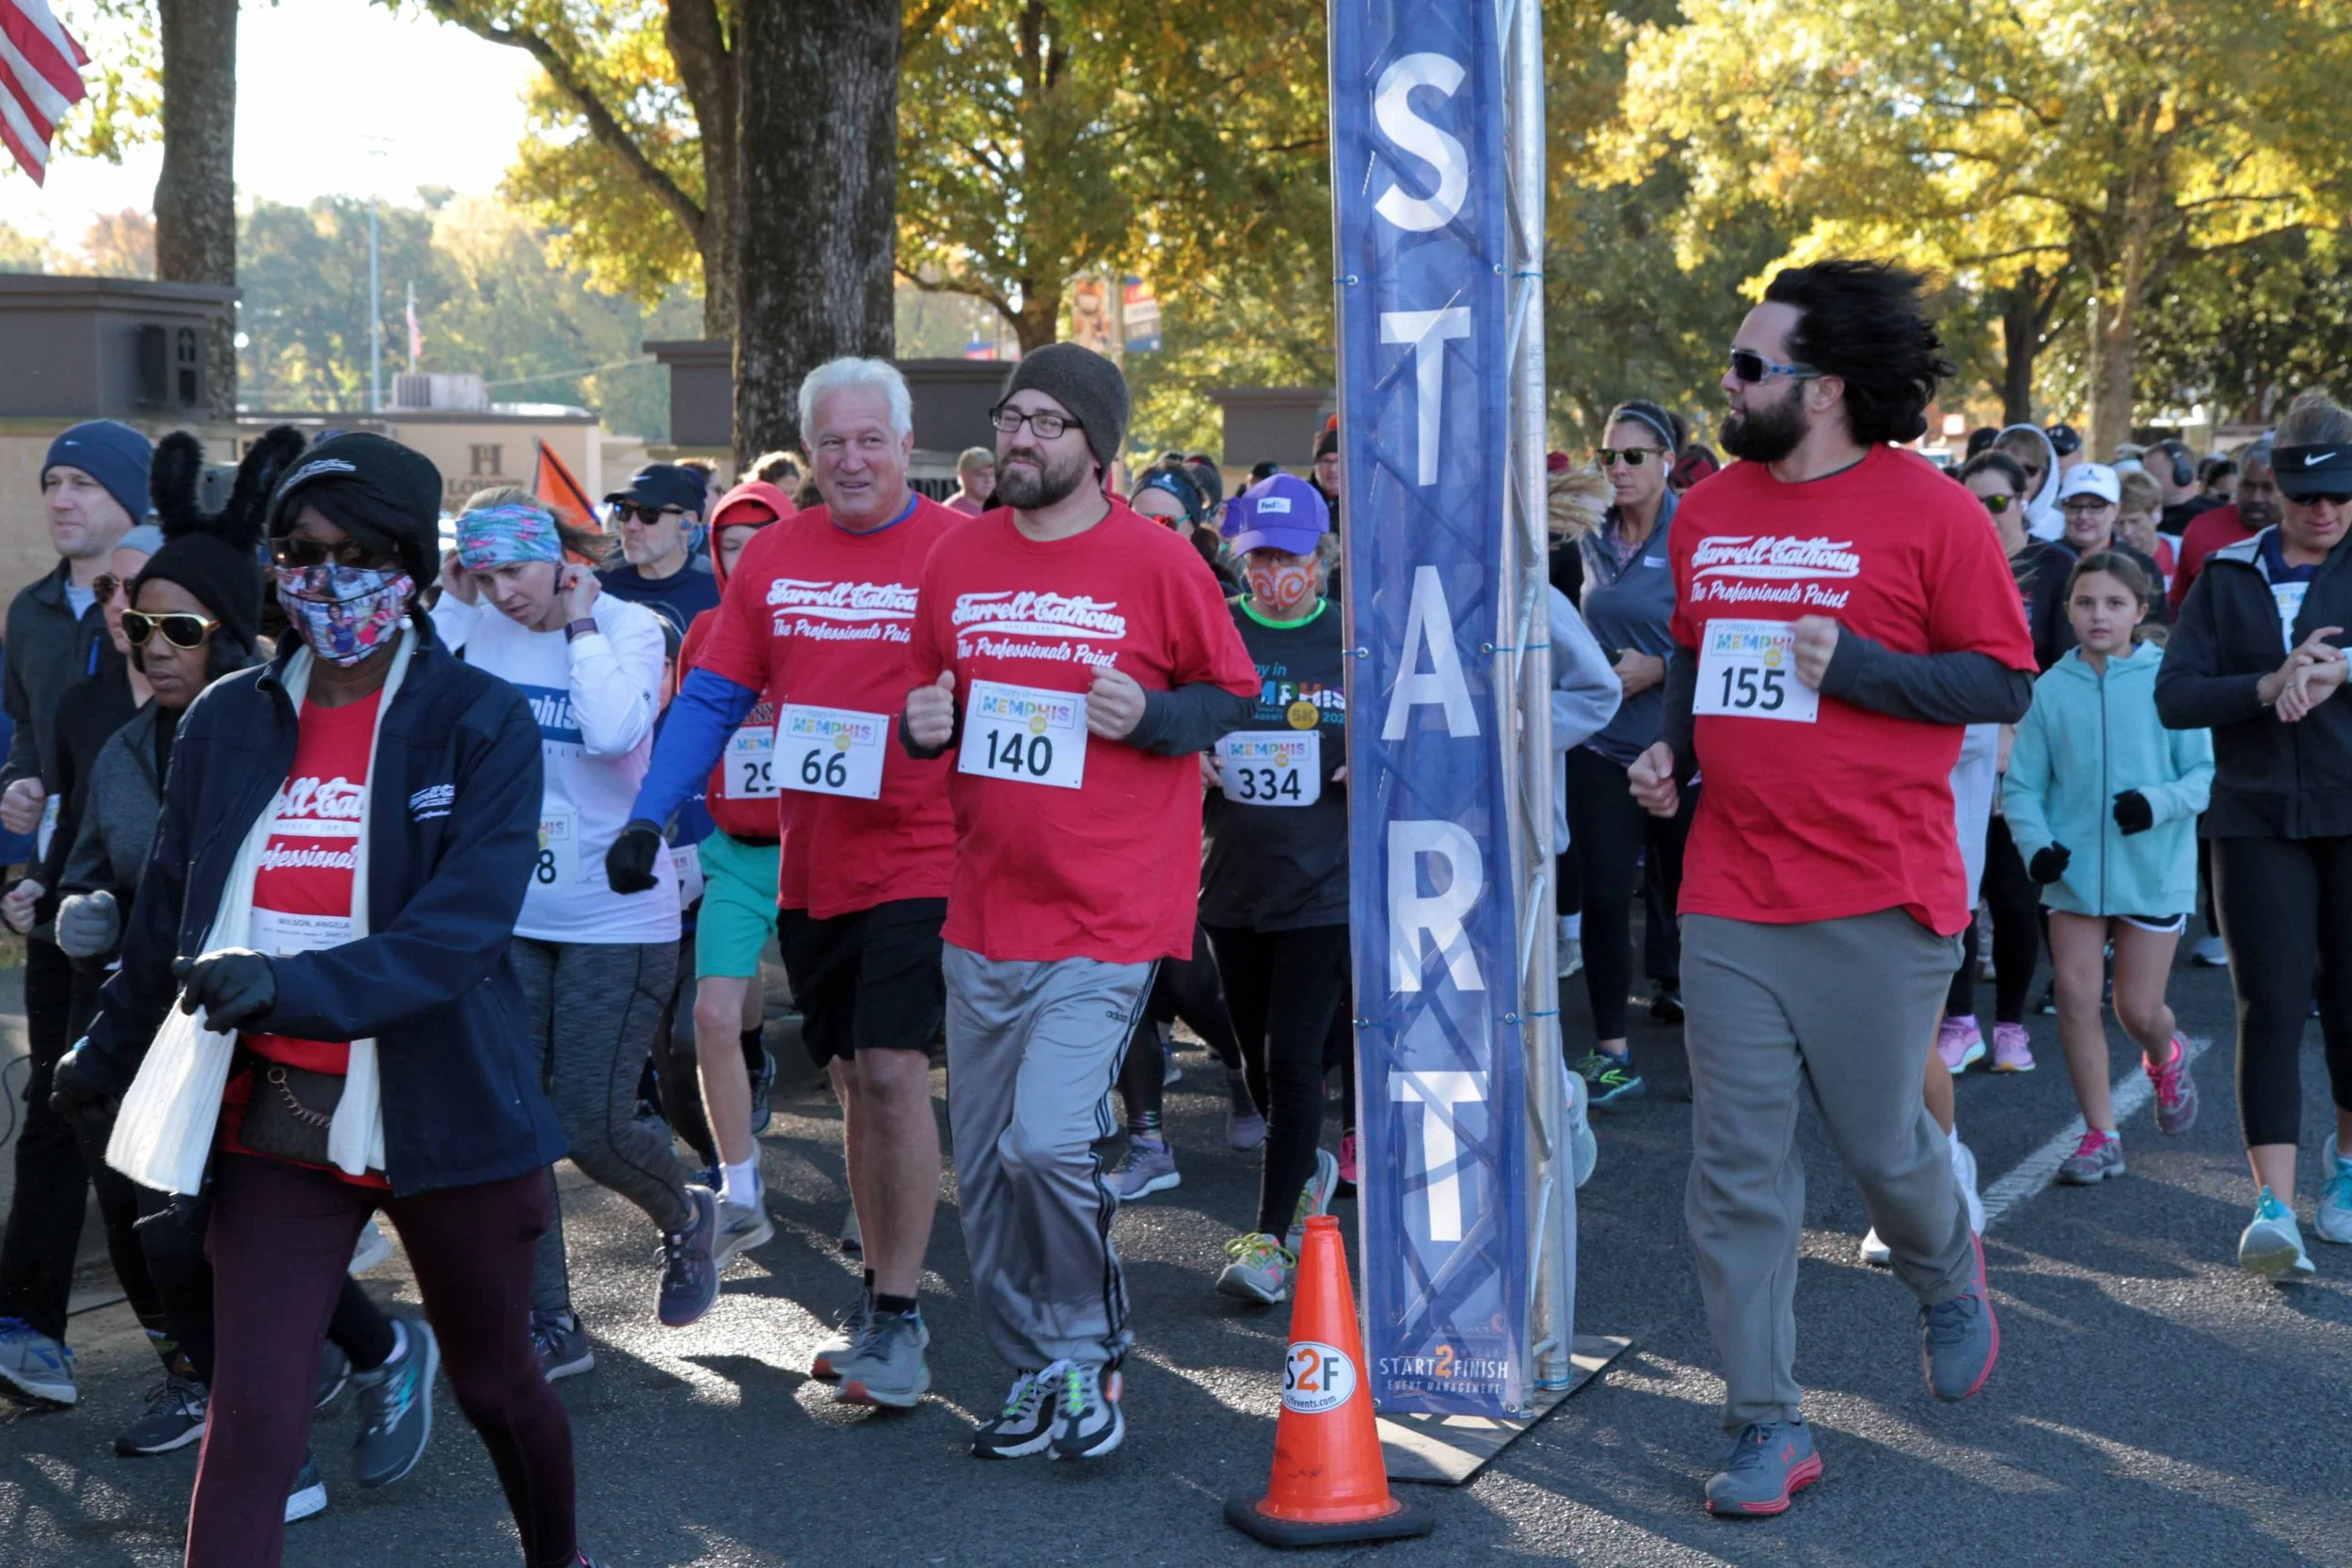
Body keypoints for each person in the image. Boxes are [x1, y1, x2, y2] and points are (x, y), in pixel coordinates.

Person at [50, 432, 605, 1567]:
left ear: (411, 567)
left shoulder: (480, 720)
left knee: (498, 1384)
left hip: (447, 1107)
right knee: (252, 1420)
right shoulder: (226, 720)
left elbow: (457, 935)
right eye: (302, 552)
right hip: (280, 1117)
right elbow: (170, 919)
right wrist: (102, 1051)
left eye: (358, 554)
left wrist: (290, 984)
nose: (327, 577)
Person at [1628, 261, 2031, 1516]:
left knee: (1880, 1141)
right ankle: (1766, 1420)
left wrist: (1855, 666)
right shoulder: (1707, 511)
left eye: (1750, 367)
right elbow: (1699, 657)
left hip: (1879, 890)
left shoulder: (1933, 513)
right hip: (1731, 886)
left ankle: (1946, 1268)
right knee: (1734, 1166)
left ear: (1825, 389)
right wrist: (1671, 751)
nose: (1728, 383)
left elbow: (2001, 680)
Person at [901, 342, 1258, 1460]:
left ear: (1096, 444)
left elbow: (1230, 694)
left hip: (1108, 910)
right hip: (984, 910)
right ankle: (1032, 1366)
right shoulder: (958, 556)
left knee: (1047, 1142)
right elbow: (930, 693)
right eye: (1011, 416)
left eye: (1046, 422)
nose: (1019, 437)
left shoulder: (1156, 560)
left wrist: (1150, 717)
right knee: (986, 1169)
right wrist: (924, 724)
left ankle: (1089, 1346)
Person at [611, 357, 962, 1411]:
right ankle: (880, 1294)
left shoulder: (958, 550)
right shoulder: (776, 558)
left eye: (871, 439)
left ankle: (899, 1315)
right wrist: (649, 814)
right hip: (815, 862)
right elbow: (715, 696)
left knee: (892, 1070)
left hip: (926, 852)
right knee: (851, 1075)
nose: (852, 459)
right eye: (832, 442)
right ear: (810, 452)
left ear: (906, 446)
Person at [430, 492, 715, 1378]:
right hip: (514, 914)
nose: (503, 592)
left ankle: (684, 1214)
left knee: (590, 1125)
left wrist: (582, 626)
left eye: (515, 571)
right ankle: (551, 1319)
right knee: (515, 1125)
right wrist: (451, 605)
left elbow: (614, 731)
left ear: (558, 558)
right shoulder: (478, 624)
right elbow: (417, 713)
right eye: (484, 575)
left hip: (614, 913)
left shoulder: (628, 626)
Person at [2156, 389, 2352, 1279]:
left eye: (2342, 494)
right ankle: (2274, 1208)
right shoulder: (2228, 572)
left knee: (2349, 1004)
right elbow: (2175, 694)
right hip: (2253, 816)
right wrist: (2266, 685)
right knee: (2268, 1004)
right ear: (2277, 488)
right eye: (2308, 495)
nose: (2326, 510)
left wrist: (2343, 669)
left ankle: (2345, 1168)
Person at [0, 419, 149, 1409]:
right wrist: (17, 815)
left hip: (164, 904)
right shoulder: (32, 611)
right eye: (53, 480)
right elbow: (29, 742)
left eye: (84, 483)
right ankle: (28, 1327)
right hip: (62, 895)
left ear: (131, 499)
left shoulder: (179, 598)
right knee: (58, 1104)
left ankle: (270, 1317)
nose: (61, 498)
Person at [1194, 474, 1352, 1304]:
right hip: (1232, 880)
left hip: (1323, 882)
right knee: (1254, 1058)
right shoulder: (1215, 627)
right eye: (1259, 558)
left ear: (1321, 557)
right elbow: (1176, 713)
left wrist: (1371, 759)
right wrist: (1190, 751)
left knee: (1293, 1059)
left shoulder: (1351, 637)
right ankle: (1306, 1168)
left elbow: (1405, 725)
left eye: (1289, 557)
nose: (1273, 574)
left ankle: (1269, 1240)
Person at [2004, 551, 2209, 1186]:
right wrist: (2036, 845)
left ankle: (2165, 1052)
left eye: (2115, 603)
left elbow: (2204, 776)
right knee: (2073, 995)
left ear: (2140, 611)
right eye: (2086, 602)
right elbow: (2023, 786)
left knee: (2138, 1010)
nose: (2099, 615)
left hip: (2153, 870)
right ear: (2067, 609)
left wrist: (2156, 803)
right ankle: (2101, 1135)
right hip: (2071, 873)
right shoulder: (2050, 688)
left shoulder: (2169, 681)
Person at [664, 479, 792, 1269]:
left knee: (851, 1051)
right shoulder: (708, 630)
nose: (747, 562)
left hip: (819, 851)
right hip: (735, 853)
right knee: (712, 1016)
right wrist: (671, 830)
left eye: (763, 546)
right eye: (732, 548)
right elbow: (690, 734)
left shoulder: (823, 624)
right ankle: (741, 1190)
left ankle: (871, 1191)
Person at [1569, 401, 1696, 1107]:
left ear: (1667, 461)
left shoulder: (1696, 533)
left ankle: (1717, 1052)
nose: (1618, 468)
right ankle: (1612, 1051)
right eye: (1608, 455)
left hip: (1679, 748)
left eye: (1634, 456)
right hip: (1601, 744)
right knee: (1604, 896)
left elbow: (1723, 634)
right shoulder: (1588, 533)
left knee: (1692, 901)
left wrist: (1660, 669)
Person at [597, 462, 717, 640]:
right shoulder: (597, 587)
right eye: (624, 511)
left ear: (686, 522)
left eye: (649, 513)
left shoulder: (717, 590)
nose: (631, 525)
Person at [2055, 463, 2169, 624]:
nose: (2083, 516)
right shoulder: (2041, 561)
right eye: (2074, 506)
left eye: (2095, 507)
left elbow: (2156, 630)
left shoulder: (2142, 566)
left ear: (2116, 510)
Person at [2170, 440, 2275, 616]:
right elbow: (2178, 606)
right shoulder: (2202, 528)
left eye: (2268, 488)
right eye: (2247, 486)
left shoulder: (2308, 531)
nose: (2256, 498)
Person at [1994, 423, 2063, 543]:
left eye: (2028, 469)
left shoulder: (2064, 528)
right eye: (2008, 467)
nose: (2018, 476)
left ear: (2045, 475)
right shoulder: (1978, 518)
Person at [2115, 468, 2177, 588]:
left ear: (2156, 514)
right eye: (2120, 523)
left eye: (2134, 521)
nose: (2127, 532)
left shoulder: (2181, 553)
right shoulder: (2106, 561)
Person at [2145, 438, 2203, 534]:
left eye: (2154, 476)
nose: (2146, 482)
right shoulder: (2141, 517)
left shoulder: (2214, 517)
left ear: (2183, 476)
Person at [947, 446, 995, 516]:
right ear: (964, 476)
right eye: (981, 475)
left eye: (991, 474)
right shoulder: (951, 511)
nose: (988, 481)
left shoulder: (1000, 508)